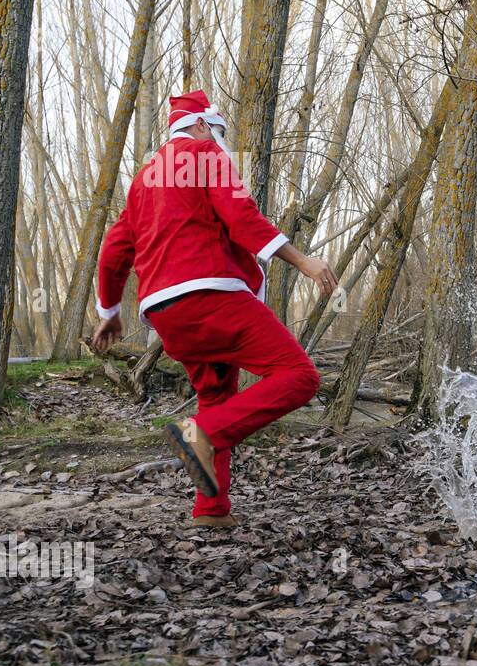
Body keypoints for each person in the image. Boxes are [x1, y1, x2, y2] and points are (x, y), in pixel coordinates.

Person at [90, 89, 339, 528]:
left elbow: (114, 250)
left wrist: (109, 310)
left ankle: (211, 509)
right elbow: (243, 218)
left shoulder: (143, 180)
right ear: (203, 126)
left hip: (166, 315)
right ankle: (200, 437)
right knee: (299, 376)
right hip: (212, 296)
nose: (221, 139)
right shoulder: (205, 153)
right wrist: (303, 261)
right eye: (219, 131)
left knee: (215, 396)